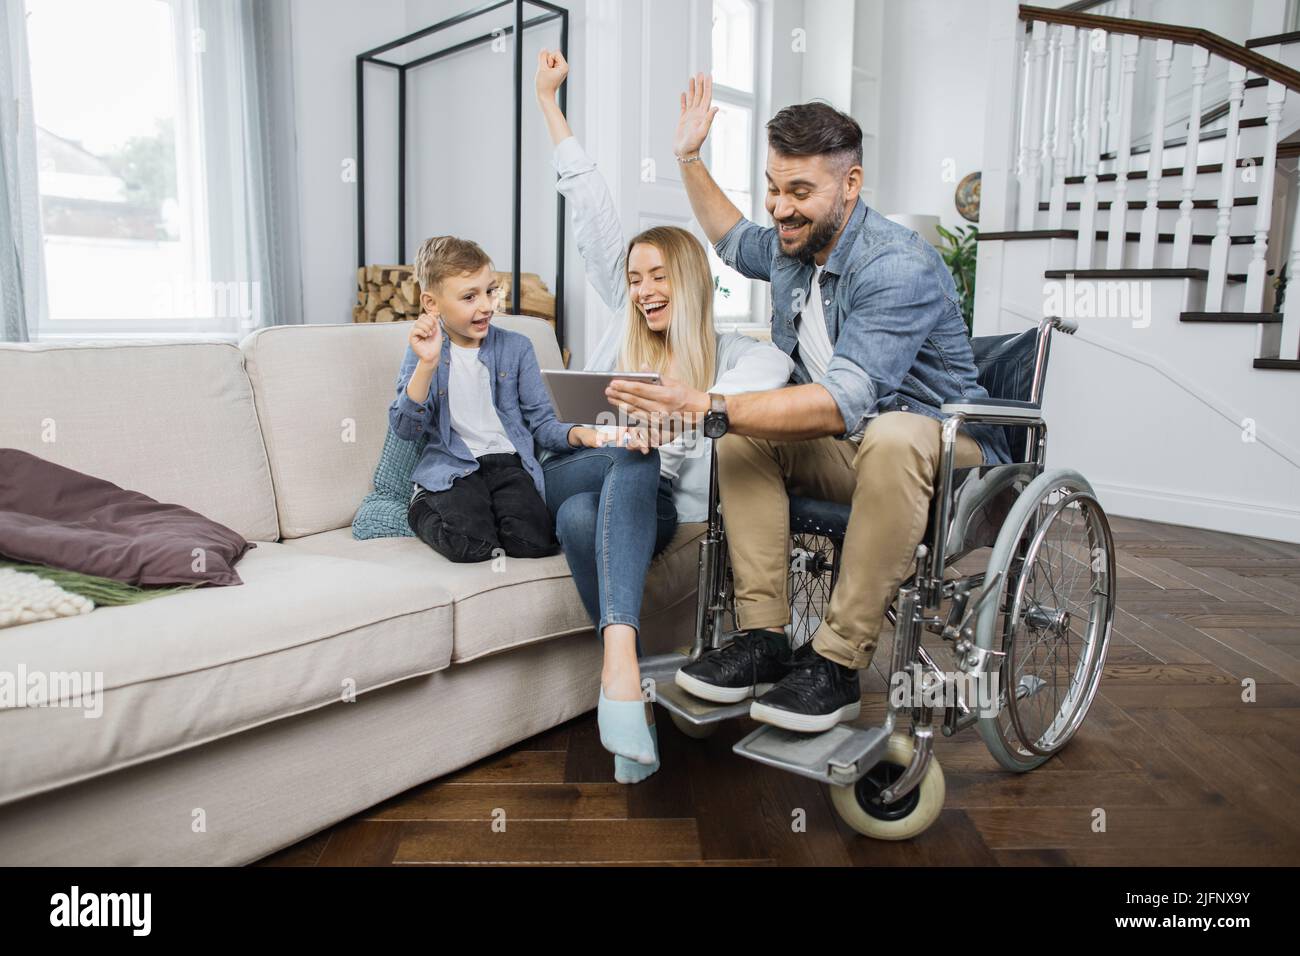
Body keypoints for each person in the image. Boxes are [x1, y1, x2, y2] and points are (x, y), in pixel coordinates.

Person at [607, 75, 1011, 734]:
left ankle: (837, 663)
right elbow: (732, 239)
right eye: (772, 186)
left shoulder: (897, 267)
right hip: (859, 448)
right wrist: (687, 159)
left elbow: (843, 402)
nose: (779, 208)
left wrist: (706, 402)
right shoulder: (794, 248)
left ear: (850, 187)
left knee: (889, 431)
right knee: (741, 433)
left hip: (948, 452)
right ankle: (765, 639)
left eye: (799, 192)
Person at [534, 51, 794, 781]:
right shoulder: (623, 322)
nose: (643, 289)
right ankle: (627, 669)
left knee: (582, 521)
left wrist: (690, 411)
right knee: (626, 453)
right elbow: (590, 211)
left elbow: (764, 397)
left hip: (644, 510)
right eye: (634, 277)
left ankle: (624, 682)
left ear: (690, 281)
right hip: (571, 463)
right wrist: (550, 103)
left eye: (658, 277)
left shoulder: (740, 355)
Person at [389, 235, 607, 563]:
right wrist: (427, 364)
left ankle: (488, 515)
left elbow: (542, 422)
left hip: (508, 464)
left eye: (490, 291)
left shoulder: (517, 348)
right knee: (471, 545)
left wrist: (579, 433)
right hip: (456, 467)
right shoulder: (424, 351)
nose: (487, 305)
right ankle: (421, 505)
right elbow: (405, 428)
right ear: (432, 304)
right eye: (469, 296)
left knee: (535, 542)